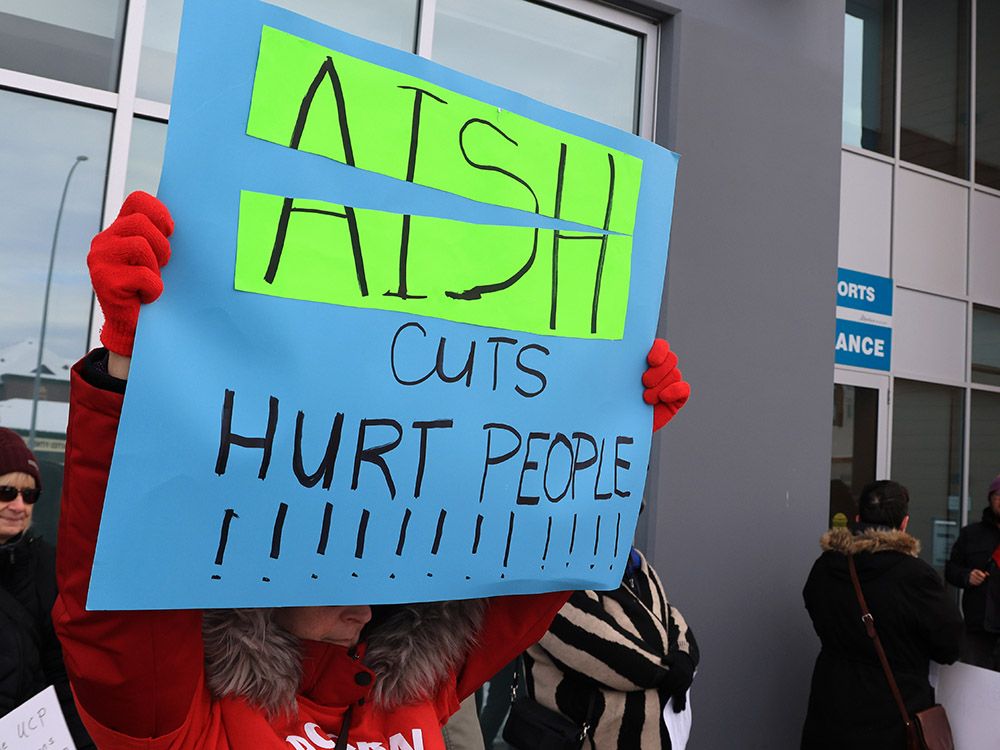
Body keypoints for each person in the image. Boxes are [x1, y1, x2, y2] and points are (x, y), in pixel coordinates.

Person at [53, 191, 691, 749]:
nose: (371, 593)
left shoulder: (413, 680)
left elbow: (539, 569)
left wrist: (611, 435)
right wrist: (129, 367)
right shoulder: (185, 716)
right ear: (263, 546)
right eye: (339, 555)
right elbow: (117, 591)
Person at [800, 480, 963, 750]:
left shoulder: (827, 565)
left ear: (857, 519)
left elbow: (813, 606)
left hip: (830, 706)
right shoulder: (914, 575)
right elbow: (950, 645)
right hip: (891, 716)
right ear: (904, 523)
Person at [522, 545, 699, 749]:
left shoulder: (633, 563)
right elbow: (597, 647)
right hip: (590, 738)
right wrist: (671, 672)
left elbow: (669, 618)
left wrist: (685, 655)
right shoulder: (553, 570)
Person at [0, 428, 93, 748]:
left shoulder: (46, 566)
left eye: (30, 495)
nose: (18, 505)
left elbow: (62, 673)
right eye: (6, 492)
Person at [945, 473, 1000, 670]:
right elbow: (951, 570)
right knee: (977, 687)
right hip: (978, 629)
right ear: (990, 499)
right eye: (998, 495)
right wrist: (967, 577)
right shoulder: (971, 534)